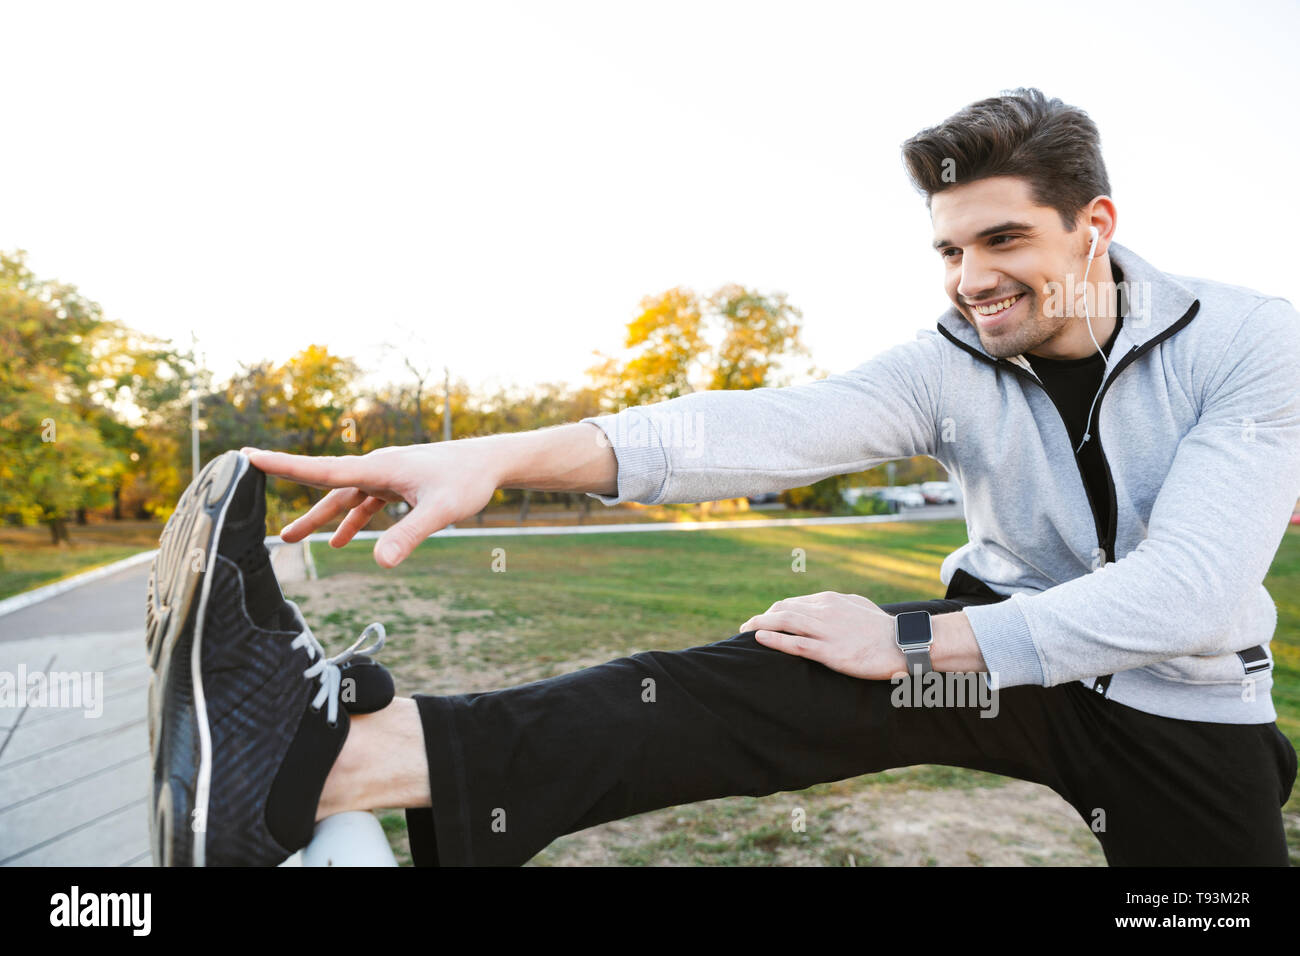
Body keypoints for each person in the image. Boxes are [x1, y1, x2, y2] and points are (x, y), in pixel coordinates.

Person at [147, 87, 1300, 867]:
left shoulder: (1250, 342)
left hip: (1179, 701)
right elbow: (747, 431)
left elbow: (1187, 591)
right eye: (948, 249)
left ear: (1092, 224)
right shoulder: (949, 362)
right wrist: (499, 454)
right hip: (1001, 665)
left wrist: (908, 641)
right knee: (755, 677)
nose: (969, 279)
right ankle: (332, 759)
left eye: (1002, 241)